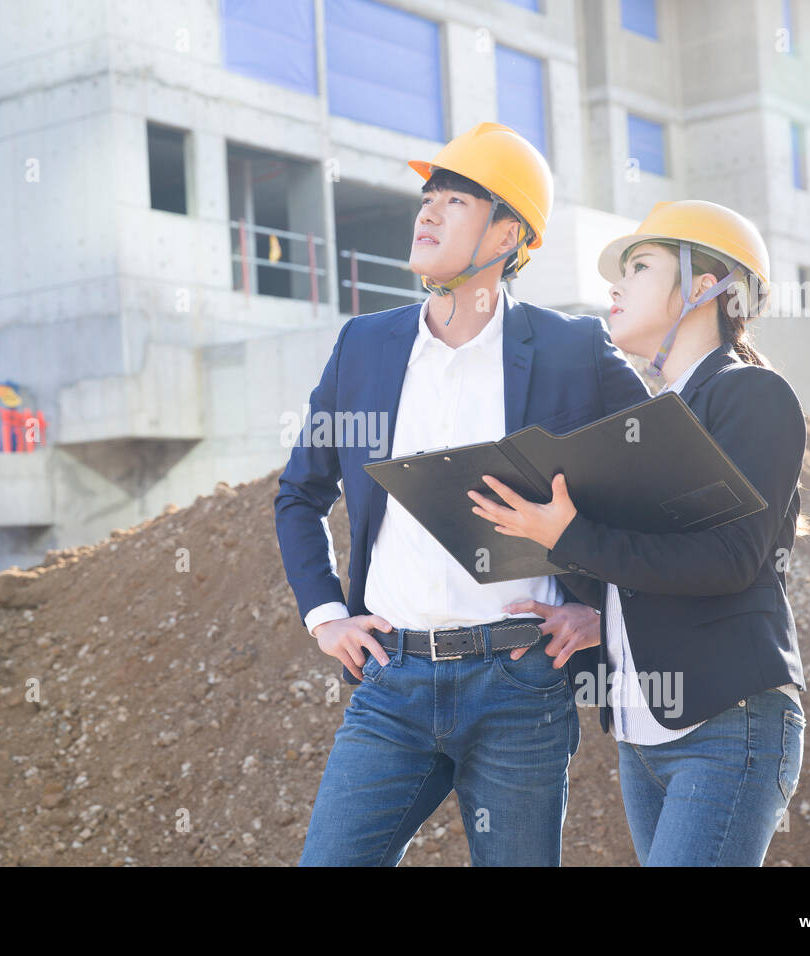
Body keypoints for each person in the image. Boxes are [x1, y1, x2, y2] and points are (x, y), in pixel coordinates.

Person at [274, 122, 650, 866]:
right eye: (427, 198)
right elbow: (300, 493)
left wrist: (600, 609)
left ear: (509, 232)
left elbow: (655, 488)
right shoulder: (365, 347)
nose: (427, 214)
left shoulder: (572, 350)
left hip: (521, 686)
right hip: (392, 682)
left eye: (454, 200)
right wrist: (325, 619)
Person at [468, 199, 810, 866]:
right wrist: (590, 610)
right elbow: (657, 565)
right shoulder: (654, 421)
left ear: (708, 287)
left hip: (728, 721)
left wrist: (569, 535)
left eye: (640, 266)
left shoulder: (753, 396)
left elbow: (730, 559)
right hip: (641, 736)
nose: (615, 286)